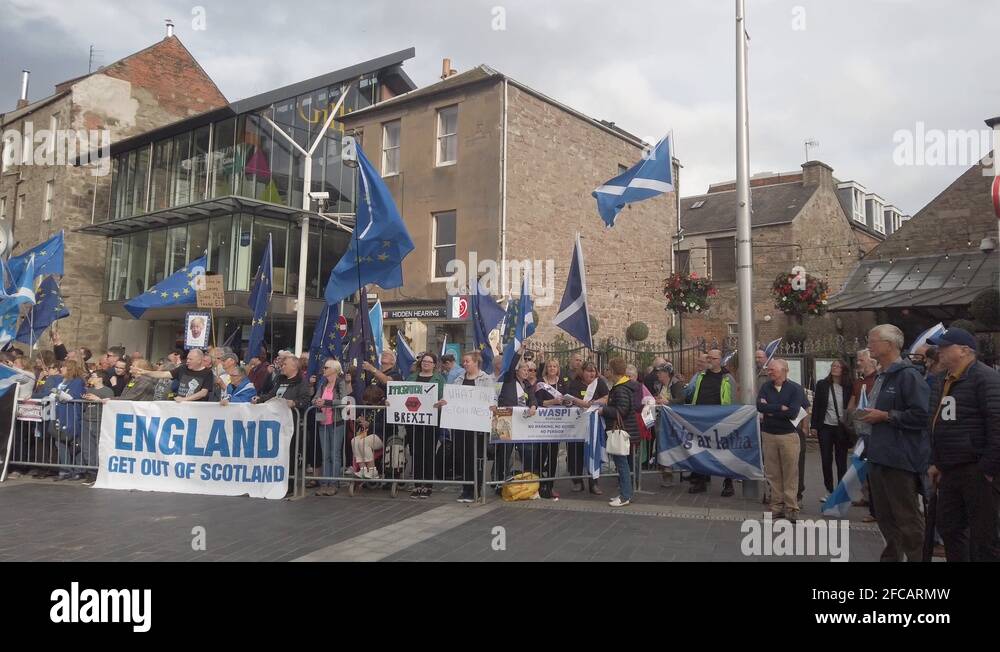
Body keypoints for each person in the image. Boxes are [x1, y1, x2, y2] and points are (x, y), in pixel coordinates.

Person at [925, 327, 1000, 562]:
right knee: (950, 527)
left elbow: (997, 424)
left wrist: (987, 469)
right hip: (950, 468)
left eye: (945, 347)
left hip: (976, 468)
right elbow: (938, 422)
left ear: (965, 351)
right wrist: (936, 461)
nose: (940, 352)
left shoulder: (985, 378)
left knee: (984, 535)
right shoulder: (942, 380)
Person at [859, 324, 931, 562]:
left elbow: (922, 415)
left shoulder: (908, 376)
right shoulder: (881, 375)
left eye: (873, 340)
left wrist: (887, 416)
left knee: (907, 518)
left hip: (900, 459)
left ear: (889, 345)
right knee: (885, 517)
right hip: (878, 456)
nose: (869, 344)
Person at [757, 358, 809, 521]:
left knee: (790, 472)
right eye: (769, 369)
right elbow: (760, 406)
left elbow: (793, 412)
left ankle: (791, 507)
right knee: (773, 472)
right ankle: (776, 506)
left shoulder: (795, 388)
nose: (769, 371)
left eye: (773, 369)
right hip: (769, 434)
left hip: (788, 435)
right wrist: (780, 407)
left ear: (784, 370)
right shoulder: (765, 386)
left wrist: (770, 409)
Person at [686, 349, 737, 496]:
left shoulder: (727, 378)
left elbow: (732, 401)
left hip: (720, 420)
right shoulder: (701, 376)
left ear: (719, 360)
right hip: (701, 420)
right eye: (708, 357)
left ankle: (728, 484)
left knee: (724, 452)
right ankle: (701, 481)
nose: (709, 360)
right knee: (701, 451)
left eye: (712, 358)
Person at [450, 351, 495, 503]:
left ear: (476, 362)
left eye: (467, 361)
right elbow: (451, 396)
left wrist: (492, 406)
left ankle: (477, 489)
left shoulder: (485, 379)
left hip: (477, 425)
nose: (465, 364)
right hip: (461, 424)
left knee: (476, 457)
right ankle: (466, 489)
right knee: (463, 456)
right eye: (464, 361)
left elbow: (492, 398)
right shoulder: (459, 379)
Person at [810, 359, 853, 501]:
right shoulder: (822, 385)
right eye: (833, 366)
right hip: (826, 427)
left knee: (841, 460)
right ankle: (829, 489)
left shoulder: (848, 386)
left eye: (838, 366)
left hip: (841, 427)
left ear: (844, 370)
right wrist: (814, 425)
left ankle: (841, 491)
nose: (835, 368)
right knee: (826, 459)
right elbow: (816, 406)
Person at [406, 353, 447, 499]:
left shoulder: (439, 379)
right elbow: (402, 394)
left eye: (429, 362)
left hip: (431, 421)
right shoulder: (411, 377)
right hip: (414, 421)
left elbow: (443, 396)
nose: (426, 363)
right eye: (424, 361)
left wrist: (441, 402)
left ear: (435, 364)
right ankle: (417, 485)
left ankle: (428, 485)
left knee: (429, 452)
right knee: (415, 452)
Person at [494, 357, 538, 493]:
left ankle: (526, 480)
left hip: (522, 424)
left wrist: (533, 406)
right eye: (523, 369)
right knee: (504, 453)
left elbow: (533, 399)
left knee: (527, 452)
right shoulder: (509, 379)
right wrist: (519, 352)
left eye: (528, 370)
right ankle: (499, 482)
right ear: (517, 371)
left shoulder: (528, 385)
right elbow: (512, 363)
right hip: (506, 420)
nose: (526, 372)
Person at [602, 357, 641, 507]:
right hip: (627, 429)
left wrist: (603, 410)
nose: (607, 372)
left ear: (612, 371)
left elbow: (621, 410)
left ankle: (625, 495)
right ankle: (627, 493)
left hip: (622, 430)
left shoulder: (621, 388)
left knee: (622, 464)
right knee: (624, 463)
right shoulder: (624, 386)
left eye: (608, 370)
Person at [847, 347, 879, 521]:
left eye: (861, 360)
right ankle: (866, 498)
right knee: (862, 467)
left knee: (873, 470)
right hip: (859, 431)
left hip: (872, 432)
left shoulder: (878, 379)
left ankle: (876, 510)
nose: (858, 363)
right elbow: (851, 405)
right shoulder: (859, 382)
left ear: (870, 360)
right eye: (857, 360)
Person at [312, 360, 349, 496]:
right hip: (323, 422)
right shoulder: (323, 383)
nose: (324, 369)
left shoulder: (340, 383)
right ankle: (324, 483)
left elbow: (344, 400)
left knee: (335, 454)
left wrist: (327, 402)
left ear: (334, 369)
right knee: (325, 454)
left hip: (336, 422)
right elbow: (314, 398)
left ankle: (333, 483)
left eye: (326, 367)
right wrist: (316, 401)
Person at [534, 358, 568, 500]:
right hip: (542, 425)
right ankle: (539, 486)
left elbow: (568, 399)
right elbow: (538, 401)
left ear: (558, 368)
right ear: (546, 368)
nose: (552, 368)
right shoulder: (540, 383)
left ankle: (550, 486)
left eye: (555, 366)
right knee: (541, 456)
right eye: (550, 366)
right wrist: (552, 402)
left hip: (556, 426)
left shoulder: (563, 382)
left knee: (553, 457)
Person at [133, 348, 216, 402]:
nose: (187, 361)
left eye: (191, 359)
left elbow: (203, 393)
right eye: (187, 358)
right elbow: (164, 374)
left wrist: (185, 399)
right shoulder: (183, 368)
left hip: (195, 410)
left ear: (199, 360)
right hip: (180, 407)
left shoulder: (208, 373)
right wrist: (144, 372)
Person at [52, 360, 87, 481]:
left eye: (63, 367)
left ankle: (78, 470)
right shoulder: (61, 381)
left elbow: (72, 397)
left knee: (74, 443)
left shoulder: (77, 381)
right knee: (60, 441)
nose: (61, 369)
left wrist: (57, 393)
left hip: (71, 415)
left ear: (69, 368)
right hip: (60, 414)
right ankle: (65, 469)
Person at [81, 371, 114, 479]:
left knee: (99, 447)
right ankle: (91, 472)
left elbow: (110, 404)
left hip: (99, 421)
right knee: (87, 448)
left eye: (93, 376)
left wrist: (98, 399)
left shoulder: (107, 391)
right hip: (87, 420)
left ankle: (99, 472)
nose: (91, 378)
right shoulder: (89, 390)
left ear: (100, 379)